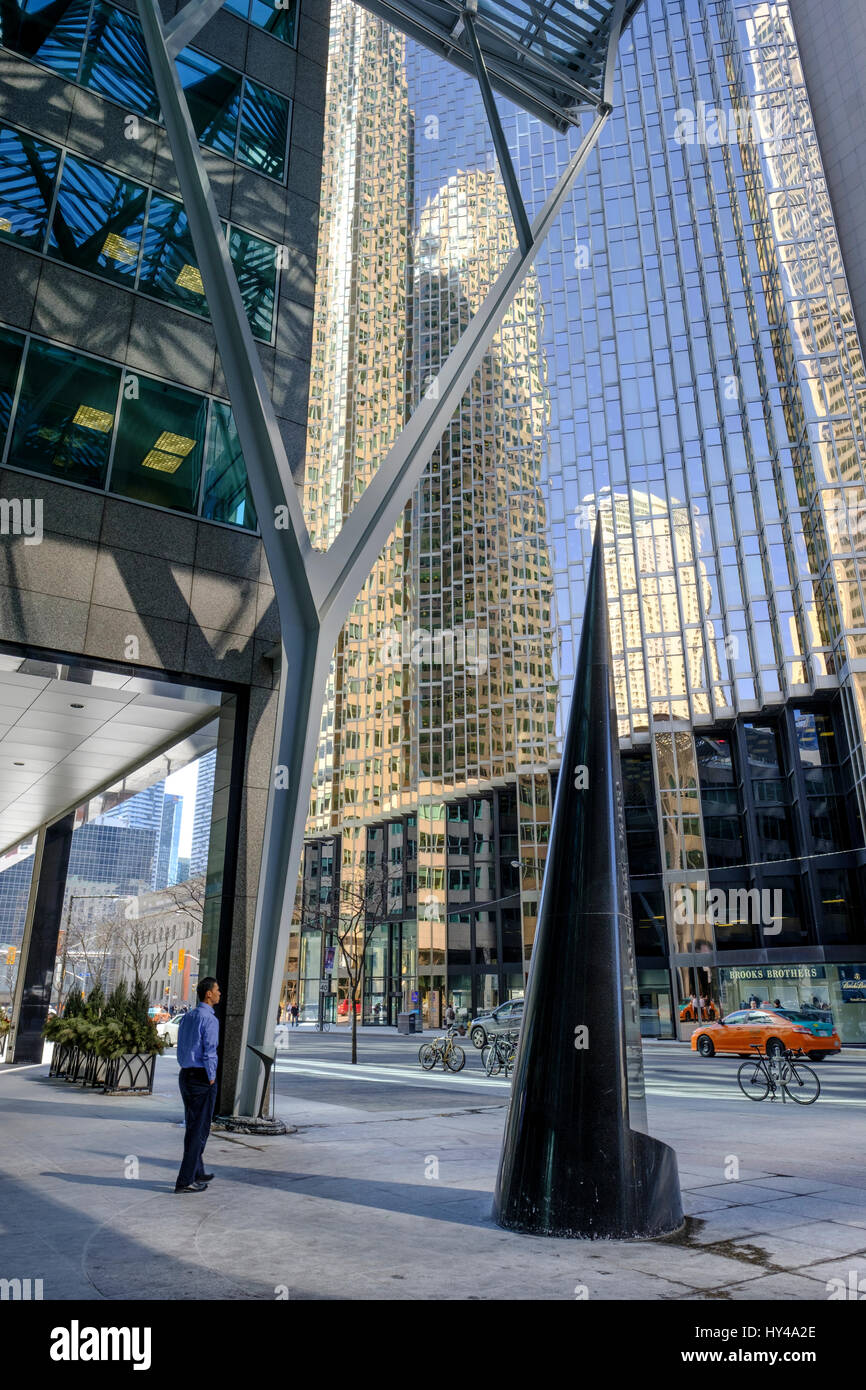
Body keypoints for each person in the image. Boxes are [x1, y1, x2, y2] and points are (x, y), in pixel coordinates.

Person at [174, 977, 221, 1194]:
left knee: (196, 1126)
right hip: (202, 1078)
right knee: (197, 1130)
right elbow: (210, 1051)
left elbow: (182, 1046)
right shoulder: (209, 1020)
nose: (220, 993)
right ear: (208, 994)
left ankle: (197, 1170)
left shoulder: (188, 1017)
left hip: (186, 1075)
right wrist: (211, 1078)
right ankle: (185, 1180)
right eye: (217, 990)